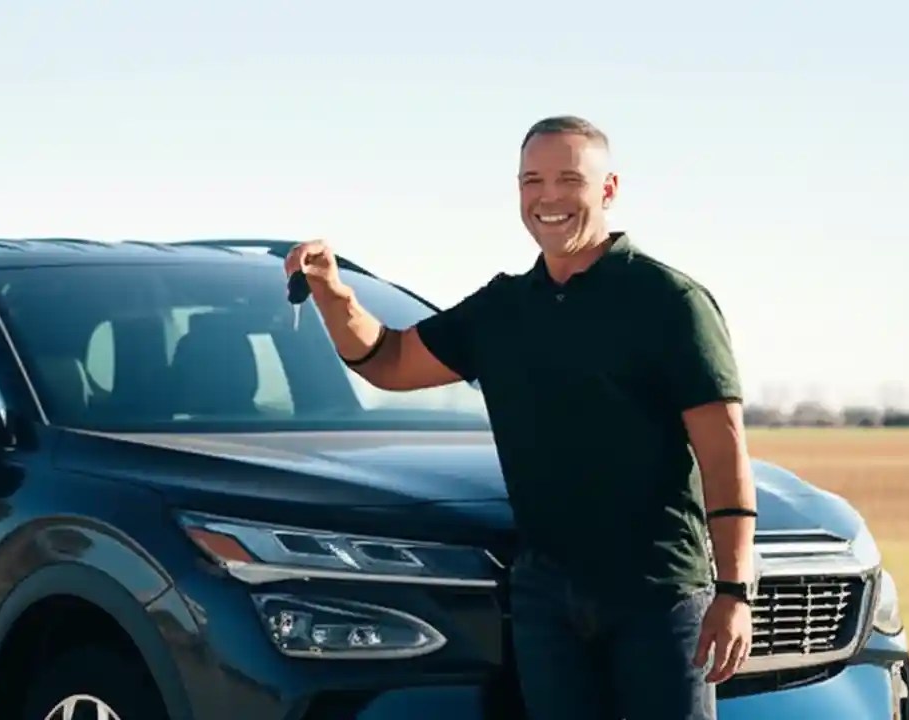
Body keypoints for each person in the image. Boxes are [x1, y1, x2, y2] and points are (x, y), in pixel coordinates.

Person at [283, 115, 756, 720]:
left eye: (568, 179)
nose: (548, 198)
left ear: (608, 189)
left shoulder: (669, 303)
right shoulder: (503, 309)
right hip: (546, 599)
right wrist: (333, 293)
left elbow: (724, 454)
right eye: (533, 181)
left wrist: (735, 592)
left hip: (657, 595)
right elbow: (390, 360)